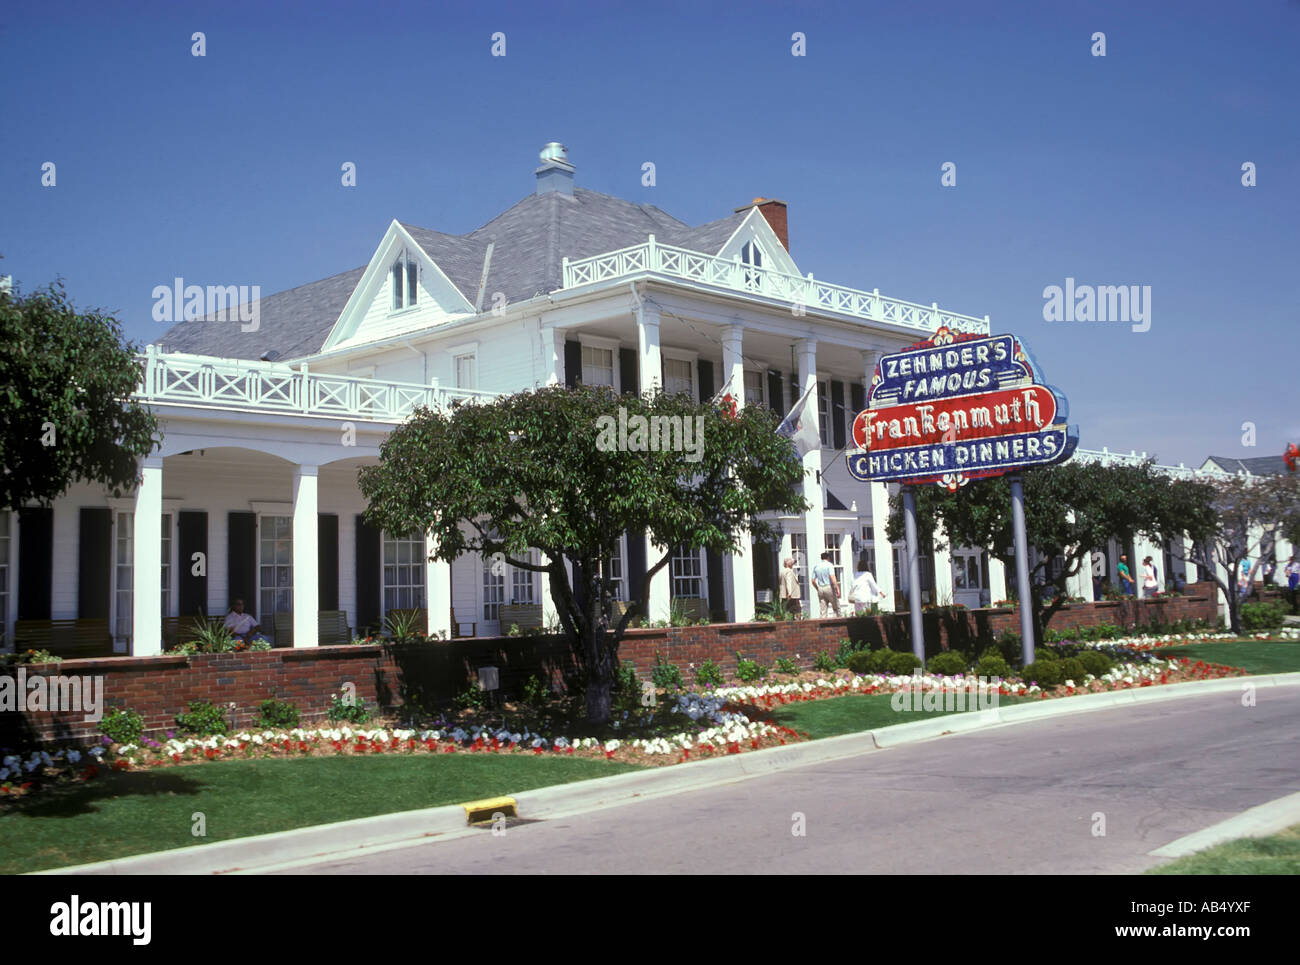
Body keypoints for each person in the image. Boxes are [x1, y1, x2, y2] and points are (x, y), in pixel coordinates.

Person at [811, 551, 841, 618]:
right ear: (828, 558)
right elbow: (832, 577)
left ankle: (822, 627)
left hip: (820, 588)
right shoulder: (829, 565)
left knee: (823, 611)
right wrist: (837, 588)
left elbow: (812, 581)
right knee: (836, 607)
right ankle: (838, 624)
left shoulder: (816, 566)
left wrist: (818, 588)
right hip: (828, 587)